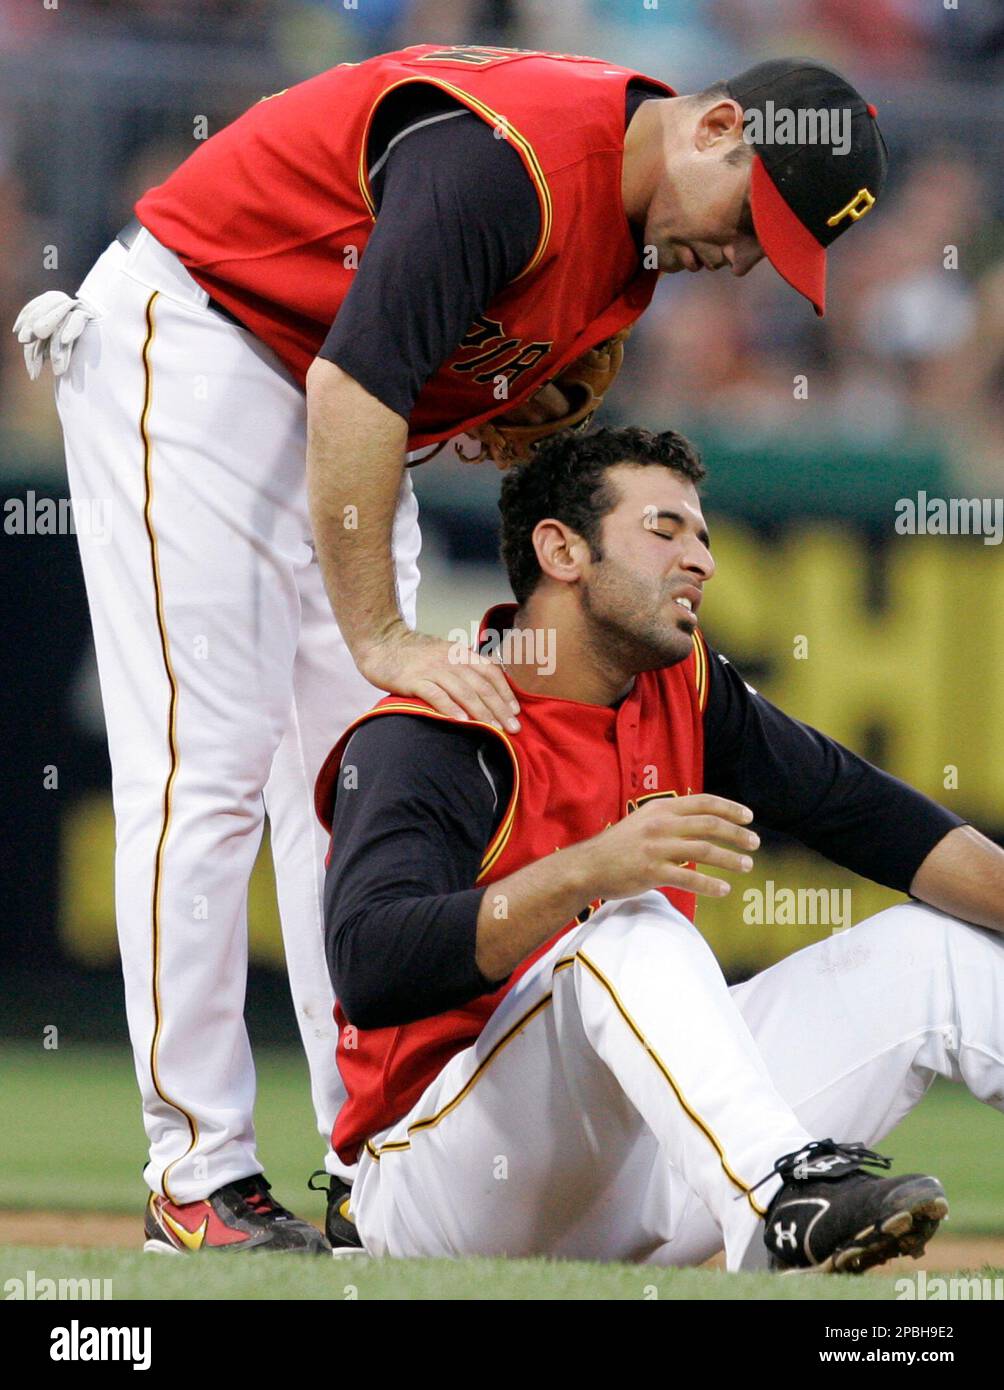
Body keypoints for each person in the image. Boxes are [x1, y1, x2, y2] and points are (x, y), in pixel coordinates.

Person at [14, 44, 888, 1253]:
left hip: (311, 388)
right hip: (199, 335)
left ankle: (362, 1154)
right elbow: (355, 387)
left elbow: (396, 381)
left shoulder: (626, 243)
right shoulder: (509, 164)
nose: (738, 259)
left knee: (357, 778)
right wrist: (380, 633)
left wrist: (486, 398)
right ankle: (196, 1175)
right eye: (753, 219)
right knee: (204, 764)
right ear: (716, 127)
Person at [314, 426, 1004, 1270]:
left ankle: (769, 1197)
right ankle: (784, 1202)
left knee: (936, 954)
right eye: (665, 530)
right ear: (562, 550)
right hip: (444, 1180)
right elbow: (370, 964)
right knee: (630, 927)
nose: (701, 560)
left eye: (704, 537)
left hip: (647, 1173)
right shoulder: (432, 733)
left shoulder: (685, 689)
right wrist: (590, 869)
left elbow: (869, 816)